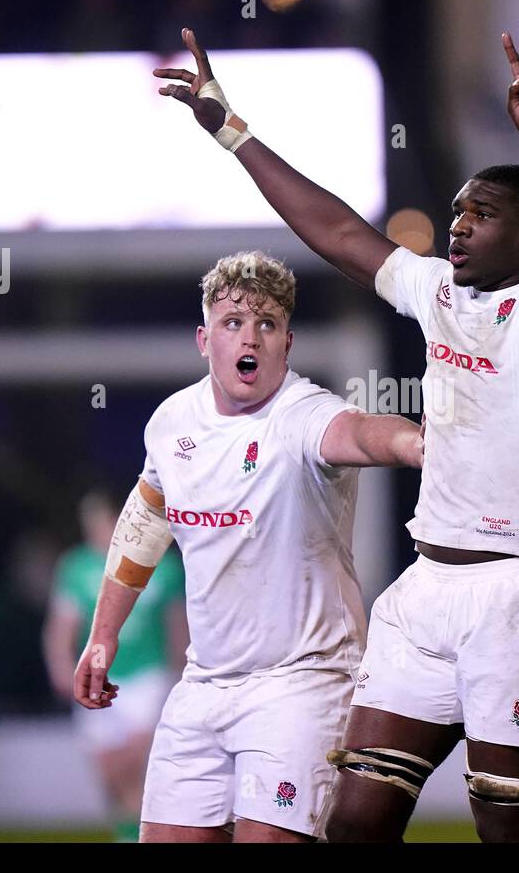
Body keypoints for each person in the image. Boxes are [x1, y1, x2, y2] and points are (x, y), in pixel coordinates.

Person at [155, 23, 519, 842]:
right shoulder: (440, 292)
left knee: (506, 828)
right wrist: (234, 134)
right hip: (426, 588)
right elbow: (335, 232)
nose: (460, 224)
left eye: (483, 213)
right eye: (457, 210)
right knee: (355, 820)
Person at [73, 251, 423, 842]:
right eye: (234, 323)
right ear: (204, 339)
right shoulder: (171, 423)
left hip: (302, 683)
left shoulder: (303, 414)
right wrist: (103, 633)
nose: (250, 337)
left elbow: (359, 433)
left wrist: (418, 445)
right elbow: (145, 523)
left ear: (287, 342)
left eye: (266, 324)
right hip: (205, 684)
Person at [43, 490, 187, 842]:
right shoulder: (76, 567)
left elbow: (178, 626)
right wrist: (60, 665)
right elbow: (62, 625)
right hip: (100, 678)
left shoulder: (160, 565)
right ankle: (127, 835)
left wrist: (181, 675)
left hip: (149, 676)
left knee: (136, 762)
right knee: (109, 773)